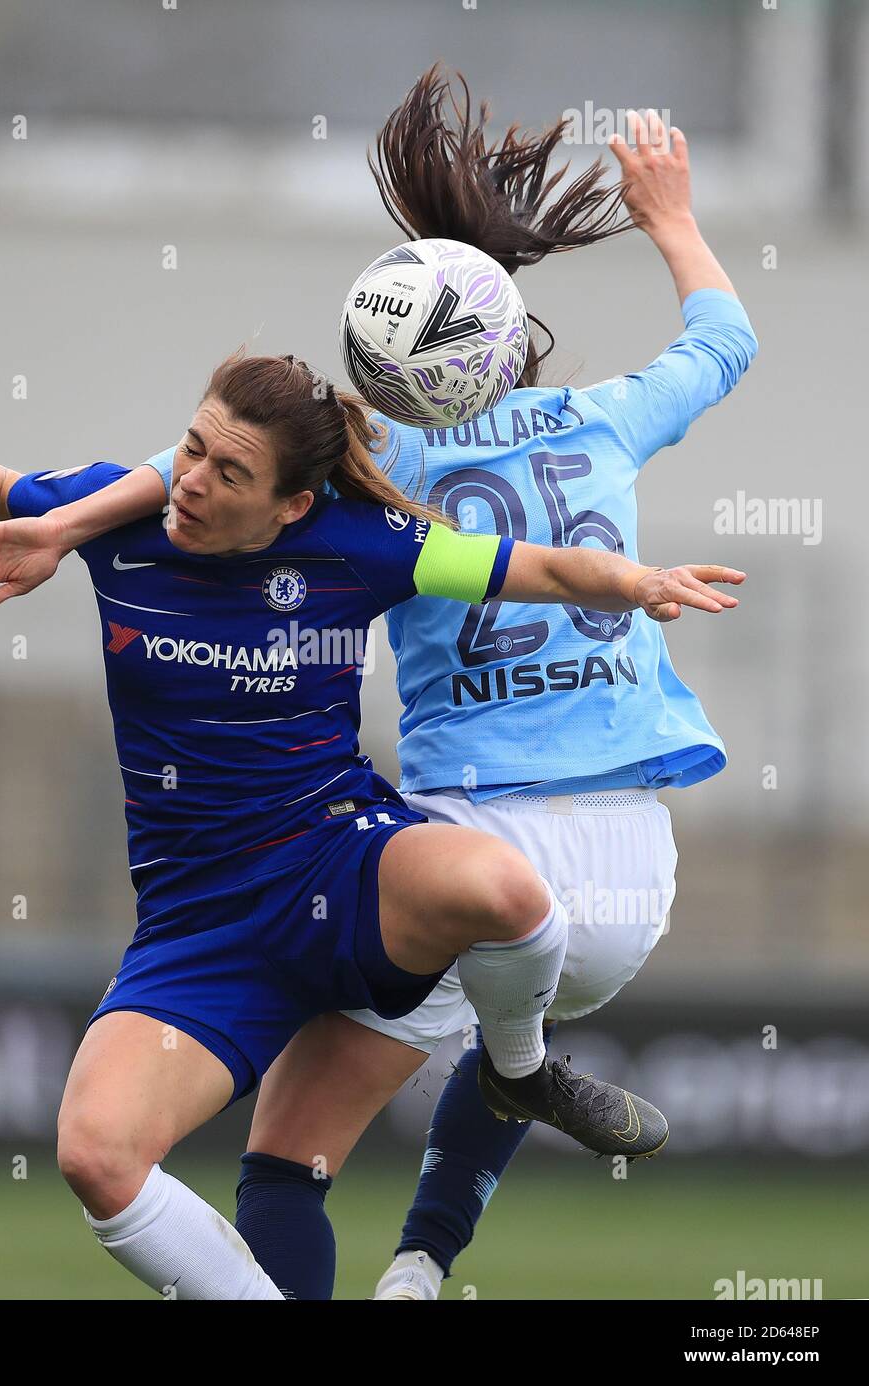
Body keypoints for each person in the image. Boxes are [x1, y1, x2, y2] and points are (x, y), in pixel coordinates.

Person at [0, 353, 741, 1300]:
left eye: (231, 474)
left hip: (339, 861)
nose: (193, 482)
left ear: (293, 506)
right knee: (97, 1154)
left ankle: (519, 1070)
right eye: (190, 450)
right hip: (200, 921)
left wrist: (634, 583)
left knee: (507, 893)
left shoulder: (363, 541)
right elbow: (1, 488)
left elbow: (527, 565)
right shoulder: (123, 518)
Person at [226, 74, 759, 1300]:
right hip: (630, 876)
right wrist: (668, 214)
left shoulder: (373, 456)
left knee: (284, 1153)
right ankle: (421, 1268)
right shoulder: (609, 418)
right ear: (512, 339)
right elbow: (725, 342)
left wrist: (25, 507)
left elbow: (194, 470)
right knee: (514, 1022)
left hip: (474, 840)